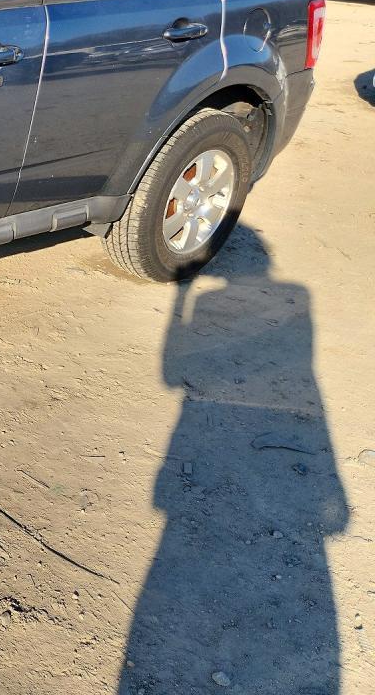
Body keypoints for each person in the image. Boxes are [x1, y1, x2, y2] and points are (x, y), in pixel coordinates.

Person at [119, 227, 348, 694]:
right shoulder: (295, 297)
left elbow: (169, 372)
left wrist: (181, 302)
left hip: (201, 420)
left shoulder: (212, 302)